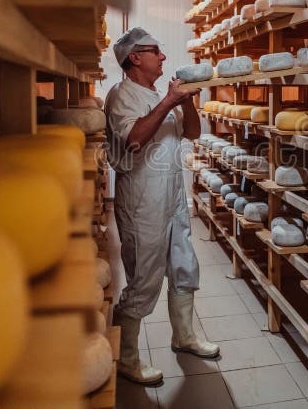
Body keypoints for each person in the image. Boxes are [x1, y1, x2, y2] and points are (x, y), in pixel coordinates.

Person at [104, 27, 219, 385]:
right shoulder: (123, 95)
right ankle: (127, 357)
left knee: (184, 264)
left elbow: (193, 133)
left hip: (171, 194)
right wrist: (169, 101)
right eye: (157, 51)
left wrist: (185, 101)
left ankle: (183, 336)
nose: (164, 58)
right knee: (144, 277)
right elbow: (135, 138)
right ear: (135, 57)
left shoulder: (157, 94)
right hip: (141, 200)